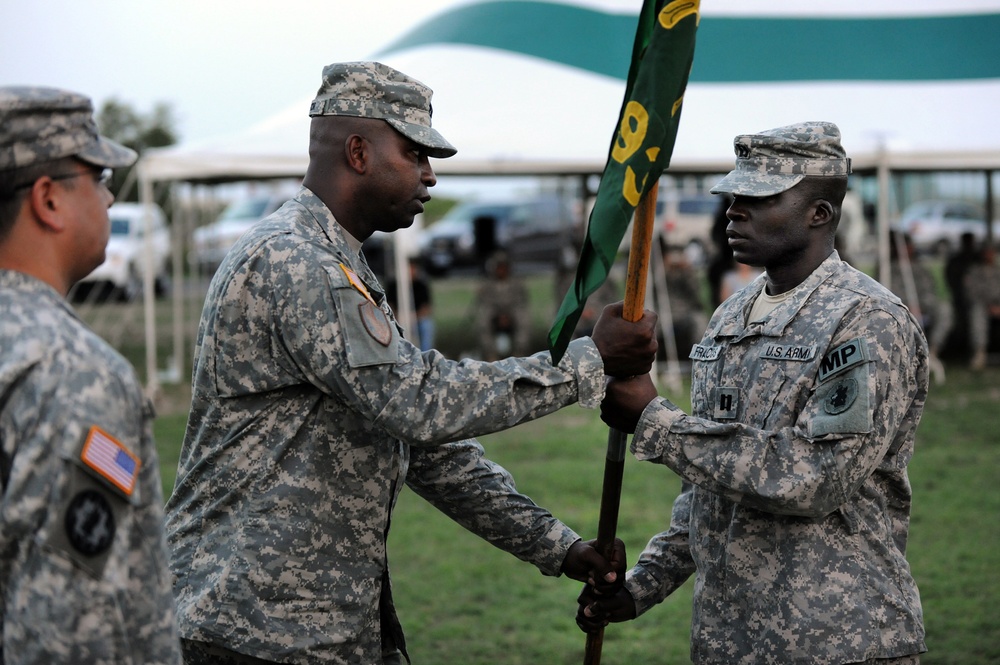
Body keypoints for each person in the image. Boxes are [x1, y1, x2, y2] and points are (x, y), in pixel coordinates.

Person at [165, 61, 657, 665]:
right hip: (255, 629)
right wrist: (590, 360)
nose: (430, 175)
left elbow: (421, 445)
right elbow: (418, 403)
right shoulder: (293, 262)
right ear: (357, 151)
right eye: (415, 153)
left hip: (316, 624)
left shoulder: (339, 265)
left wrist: (557, 546)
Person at [579, 122, 928, 664]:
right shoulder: (731, 316)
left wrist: (654, 420)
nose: (734, 210)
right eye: (734, 195)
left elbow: (815, 478)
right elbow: (710, 488)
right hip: (731, 641)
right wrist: (641, 586)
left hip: (838, 641)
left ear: (820, 213)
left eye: (758, 198)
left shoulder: (866, 320)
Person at [0, 87, 181, 663]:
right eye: (99, 175)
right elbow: (69, 632)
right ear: (48, 200)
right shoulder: (73, 371)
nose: (108, 197)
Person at [884, 230, 951, 383]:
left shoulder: (919, 266)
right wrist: (907, 305)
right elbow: (887, 293)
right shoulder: (888, 268)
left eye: (909, 245)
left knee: (944, 309)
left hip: (923, 305)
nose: (909, 248)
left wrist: (922, 306)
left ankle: (932, 351)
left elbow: (930, 290)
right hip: (901, 307)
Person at [475, 249, 532, 360]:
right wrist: (499, 316)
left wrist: (507, 316)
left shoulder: (517, 283)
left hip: (512, 310)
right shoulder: (488, 284)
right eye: (498, 267)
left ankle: (520, 352)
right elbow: (486, 302)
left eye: (503, 267)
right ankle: (490, 354)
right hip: (495, 312)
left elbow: (521, 301)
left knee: (523, 318)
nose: (501, 270)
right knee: (483, 319)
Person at [386, 257, 434, 351]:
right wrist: (397, 316)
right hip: (397, 318)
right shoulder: (393, 285)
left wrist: (414, 317)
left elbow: (427, 308)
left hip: (417, 319)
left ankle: (425, 354)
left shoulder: (421, 285)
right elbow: (388, 306)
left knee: (426, 325)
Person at [965, 244, 1000, 371]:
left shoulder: (997, 271)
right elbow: (971, 293)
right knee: (977, 313)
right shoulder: (974, 271)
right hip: (982, 305)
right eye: (987, 253)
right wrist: (990, 306)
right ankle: (980, 352)